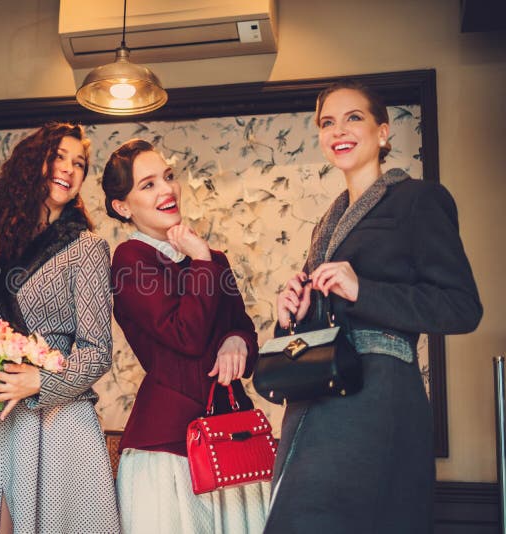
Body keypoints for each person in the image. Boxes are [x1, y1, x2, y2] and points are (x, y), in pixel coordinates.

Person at [264, 81, 483, 534]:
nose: (338, 130)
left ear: (383, 133)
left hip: (379, 400)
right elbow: (323, 320)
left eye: (353, 118)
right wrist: (292, 313)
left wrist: (362, 289)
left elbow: (462, 308)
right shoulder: (326, 221)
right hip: (313, 396)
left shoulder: (419, 199)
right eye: (327, 122)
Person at [0, 122, 120, 534]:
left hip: (57, 423)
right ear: (33, 164)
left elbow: (97, 349)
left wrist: (38, 380)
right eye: (59, 157)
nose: (69, 169)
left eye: (80, 164)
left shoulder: (87, 249)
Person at [102, 139, 270, 534]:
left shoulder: (214, 260)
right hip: (167, 447)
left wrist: (238, 342)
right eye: (148, 184)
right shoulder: (131, 261)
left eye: (168, 177)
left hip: (232, 440)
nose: (166, 190)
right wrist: (201, 260)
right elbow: (187, 335)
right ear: (122, 207)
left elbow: (244, 331)